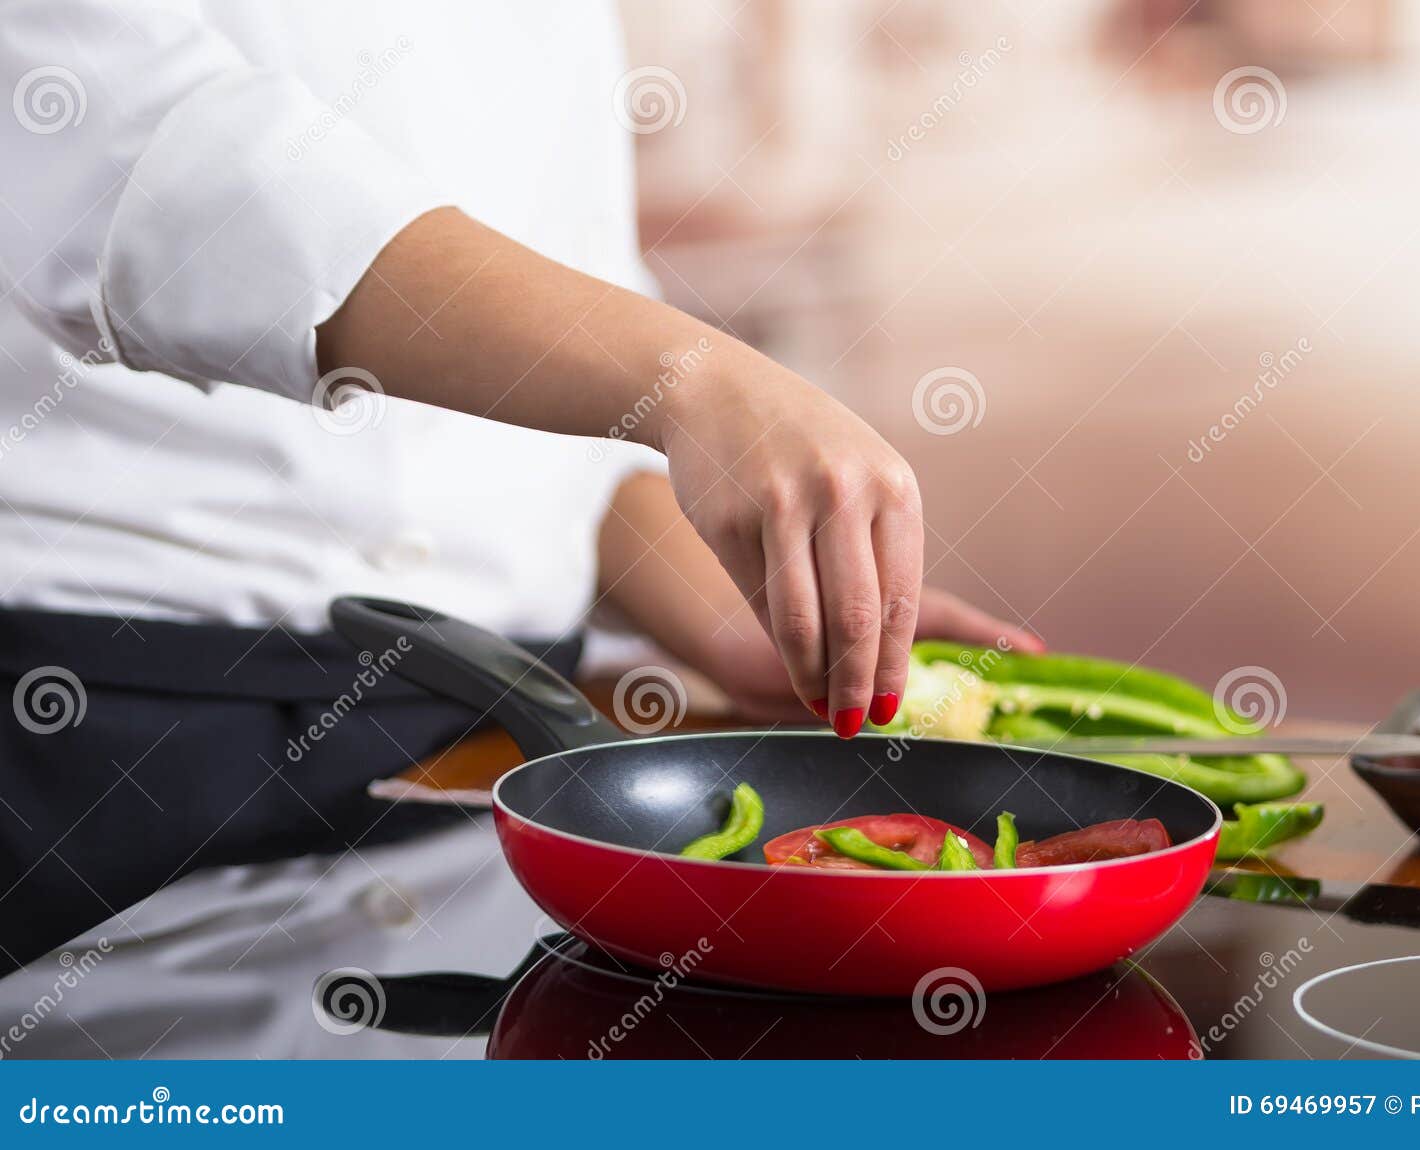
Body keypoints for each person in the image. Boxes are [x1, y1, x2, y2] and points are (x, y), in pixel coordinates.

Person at [0, 3, 1038, 1054]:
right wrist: (691, 376)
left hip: (495, 751)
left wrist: (727, 611)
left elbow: (557, 355)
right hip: (110, 733)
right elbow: (149, 162)